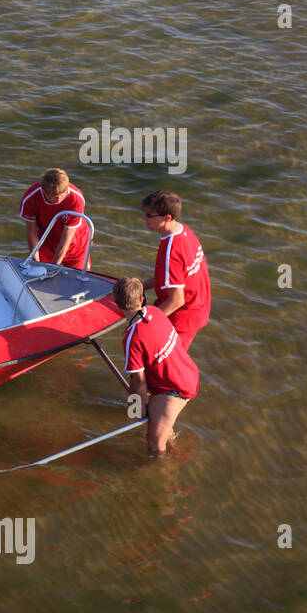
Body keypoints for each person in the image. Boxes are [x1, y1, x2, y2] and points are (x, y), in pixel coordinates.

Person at [113, 276, 199, 456]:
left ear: (117, 304)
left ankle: (164, 476)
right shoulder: (155, 311)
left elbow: (139, 381)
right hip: (188, 374)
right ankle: (177, 454)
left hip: (174, 390)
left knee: (154, 443)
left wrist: (137, 409)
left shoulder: (131, 338)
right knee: (163, 428)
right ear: (142, 298)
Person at [140, 190, 211, 349]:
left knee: (162, 365)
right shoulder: (184, 231)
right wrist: (144, 285)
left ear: (167, 218)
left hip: (182, 319)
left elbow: (177, 300)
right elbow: (177, 278)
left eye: (149, 215)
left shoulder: (171, 251)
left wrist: (146, 323)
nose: (144, 218)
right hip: (198, 308)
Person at [19, 167, 91, 269]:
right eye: (54, 197)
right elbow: (31, 231)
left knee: (78, 279)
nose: (58, 200)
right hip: (47, 242)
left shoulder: (76, 199)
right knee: (39, 272)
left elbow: (67, 238)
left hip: (76, 245)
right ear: (43, 190)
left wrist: (54, 267)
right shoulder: (31, 197)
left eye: (62, 195)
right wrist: (36, 262)